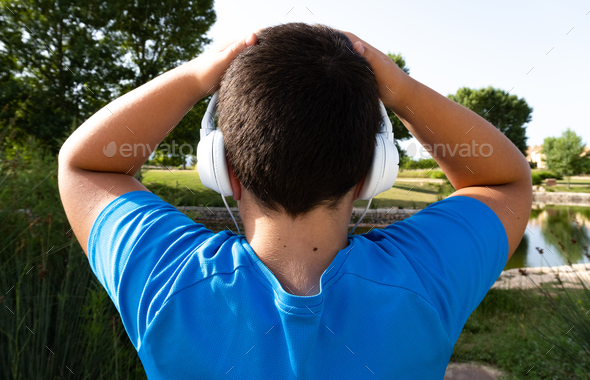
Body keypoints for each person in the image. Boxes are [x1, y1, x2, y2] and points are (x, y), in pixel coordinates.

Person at [58, 23, 532, 379]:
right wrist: (402, 91)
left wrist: (199, 75)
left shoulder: (167, 283)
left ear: (223, 169)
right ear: (374, 173)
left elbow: (85, 166)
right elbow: (505, 182)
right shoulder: (424, 280)